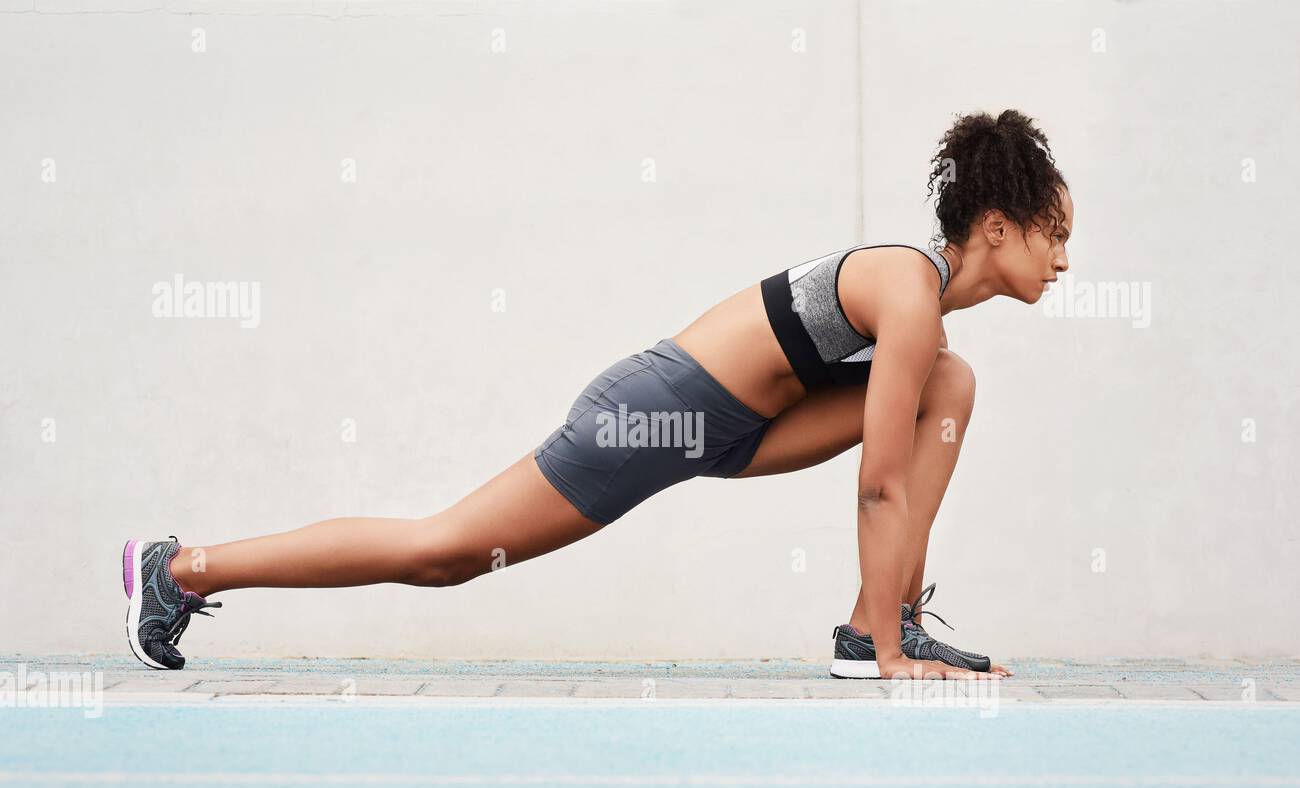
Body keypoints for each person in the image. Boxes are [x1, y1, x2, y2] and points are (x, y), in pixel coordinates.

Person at [123, 109, 1071, 679]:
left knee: (953, 383)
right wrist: (901, 670)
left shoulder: (931, 328)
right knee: (444, 550)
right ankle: (183, 566)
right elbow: (878, 485)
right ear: (994, 225)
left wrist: (894, 635)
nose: (1065, 260)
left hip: (735, 429)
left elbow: (896, 463)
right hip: (655, 413)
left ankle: (878, 628)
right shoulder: (908, 289)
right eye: (1050, 234)